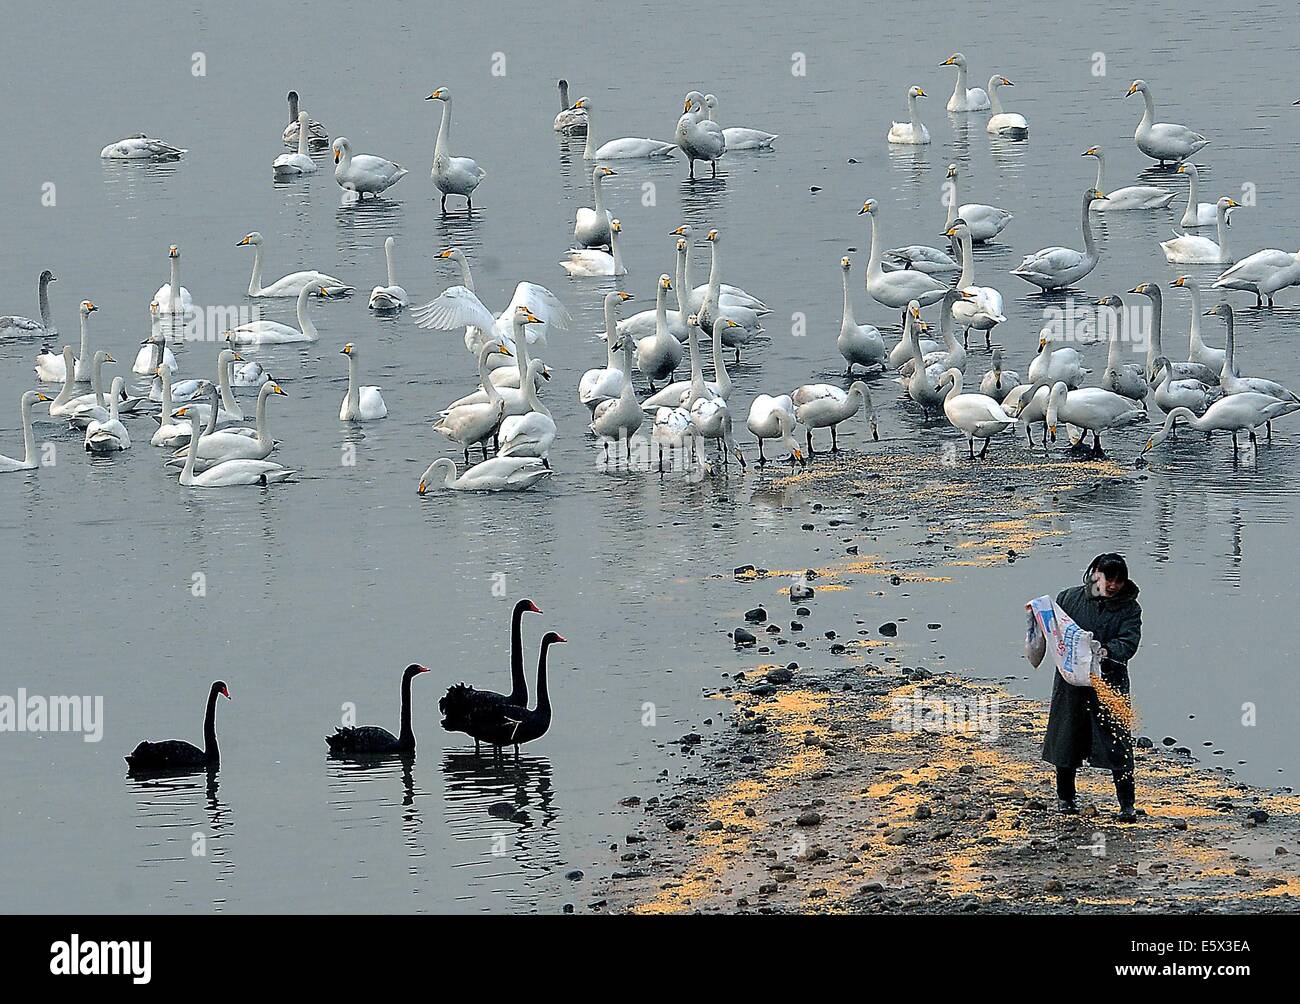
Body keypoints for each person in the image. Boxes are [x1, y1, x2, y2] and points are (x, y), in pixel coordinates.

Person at [1041, 553, 1143, 822]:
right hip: (1070, 683)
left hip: (1109, 682)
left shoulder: (1130, 609)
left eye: (1119, 581)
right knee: (1067, 738)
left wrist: (1106, 651)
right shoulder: (1068, 599)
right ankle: (1065, 798)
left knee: (1117, 742)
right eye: (1109, 578)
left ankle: (1127, 805)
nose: (1113, 585)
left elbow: (1129, 642)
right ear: (1095, 573)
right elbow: (1053, 633)